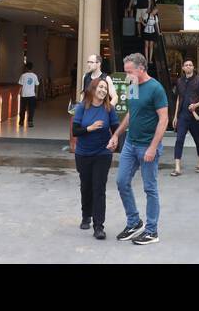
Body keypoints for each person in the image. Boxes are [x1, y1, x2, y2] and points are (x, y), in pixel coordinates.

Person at [108, 52, 168, 245]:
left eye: (129, 71)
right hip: (130, 144)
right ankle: (134, 222)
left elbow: (163, 120)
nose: (127, 76)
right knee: (121, 181)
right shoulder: (133, 85)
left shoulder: (156, 88)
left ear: (141, 69)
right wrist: (117, 134)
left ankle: (152, 231)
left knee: (150, 188)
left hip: (147, 146)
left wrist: (152, 148)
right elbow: (131, 114)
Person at [72, 76, 120, 239]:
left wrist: (115, 140)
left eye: (105, 88)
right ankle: (86, 214)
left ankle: (99, 226)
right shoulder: (82, 107)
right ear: (93, 89)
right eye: (100, 87)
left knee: (99, 188)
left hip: (102, 154)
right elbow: (75, 131)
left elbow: (116, 129)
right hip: (83, 153)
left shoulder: (109, 109)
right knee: (86, 186)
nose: (103, 90)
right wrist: (90, 128)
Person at [171, 59, 199, 177]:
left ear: (193, 67)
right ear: (183, 68)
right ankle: (177, 167)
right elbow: (178, 98)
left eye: (190, 65)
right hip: (182, 115)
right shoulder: (179, 81)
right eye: (186, 65)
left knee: (198, 140)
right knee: (179, 140)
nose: (188, 67)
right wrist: (175, 116)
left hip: (196, 116)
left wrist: (196, 105)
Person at [18, 61, 40, 127]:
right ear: (32, 68)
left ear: (26, 68)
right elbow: (37, 85)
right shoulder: (34, 76)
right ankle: (30, 122)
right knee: (31, 109)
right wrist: (36, 93)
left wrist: (19, 93)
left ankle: (21, 121)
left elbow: (20, 86)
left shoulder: (23, 75)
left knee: (23, 108)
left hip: (24, 95)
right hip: (32, 95)